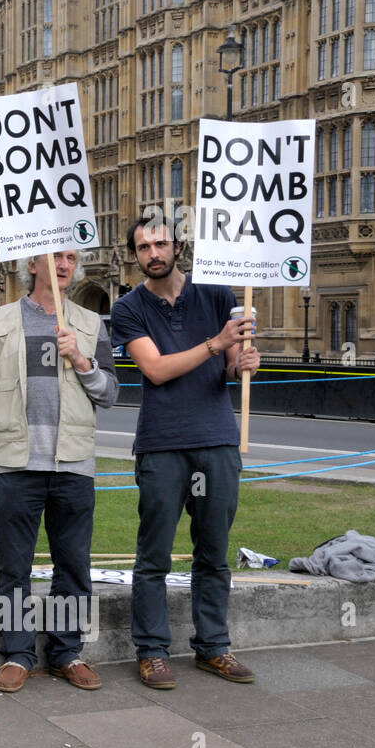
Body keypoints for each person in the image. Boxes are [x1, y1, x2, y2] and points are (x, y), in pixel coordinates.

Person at [110, 217, 261, 690]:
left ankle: (213, 647)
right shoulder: (127, 308)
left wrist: (244, 362)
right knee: (153, 555)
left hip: (217, 438)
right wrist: (217, 344)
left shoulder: (217, 294)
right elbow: (155, 369)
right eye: (142, 247)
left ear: (178, 245)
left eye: (159, 243)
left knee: (213, 552)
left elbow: (233, 364)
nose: (152, 252)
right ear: (135, 256)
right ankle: (152, 651)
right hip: (162, 443)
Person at [0, 249, 118, 692]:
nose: (65, 265)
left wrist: (81, 360)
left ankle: (67, 653)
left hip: (73, 463)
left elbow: (109, 392)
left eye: (71, 257)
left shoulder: (91, 324)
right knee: (14, 566)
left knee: (73, 565)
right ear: (32, 264)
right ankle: (17, 654)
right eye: (55, 257)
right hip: (16, 462)